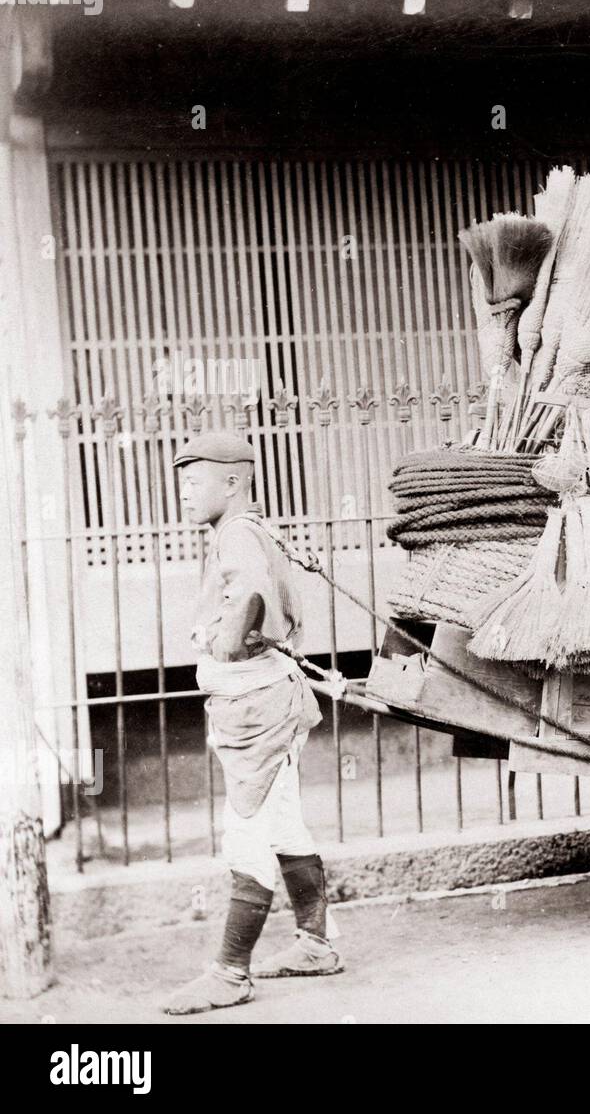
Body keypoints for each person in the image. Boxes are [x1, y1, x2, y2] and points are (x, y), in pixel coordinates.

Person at [163, 431, 343, 1016]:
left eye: (195, 483)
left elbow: (252, 597)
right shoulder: (251, 528)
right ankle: (316, 945)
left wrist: (223, 643)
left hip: (254, 708)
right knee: (284, 823)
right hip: (268, 700)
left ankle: (230, 973)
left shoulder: (238, 534)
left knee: (245, 831)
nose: (185, 494)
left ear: (233, 482)